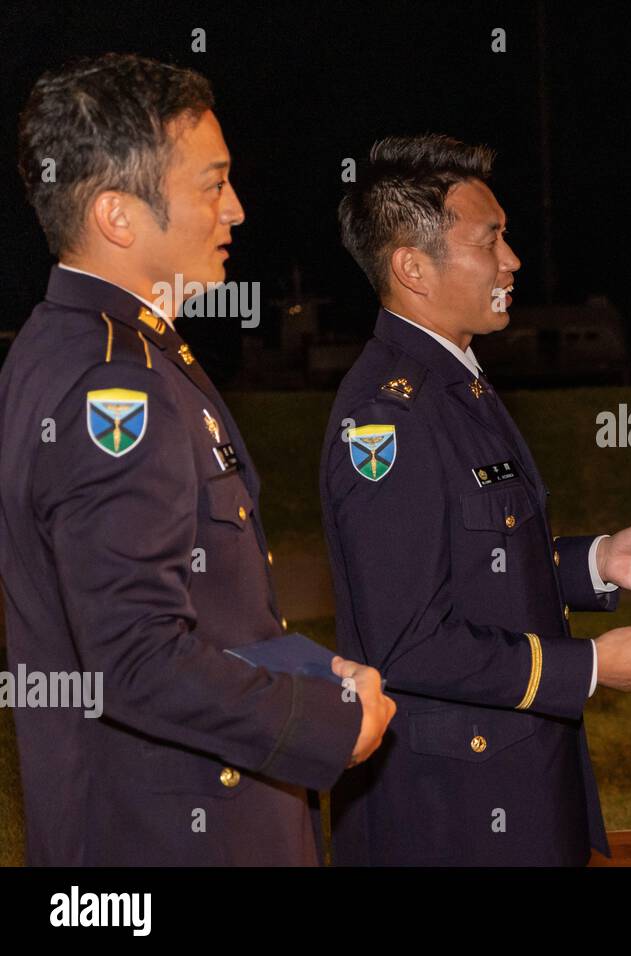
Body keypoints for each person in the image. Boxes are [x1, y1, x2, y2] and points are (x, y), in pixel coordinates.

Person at [1, 52, 394, 865]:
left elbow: (200, 606)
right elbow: (134, 657)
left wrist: (313, 669)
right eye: (212, 185)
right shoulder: (115, 382)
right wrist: (329, 724)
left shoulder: (82, 345)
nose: (237, 210)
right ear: (119, 215)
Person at [322, 134, 631, 865]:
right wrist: (590, 668)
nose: (513, 261)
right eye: (491, 240)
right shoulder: (391, 418)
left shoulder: (454, 381)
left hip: (512, 779)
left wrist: (601, 561)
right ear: (412, 267)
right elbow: (407, 641)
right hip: (455, 814)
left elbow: (483, 564)